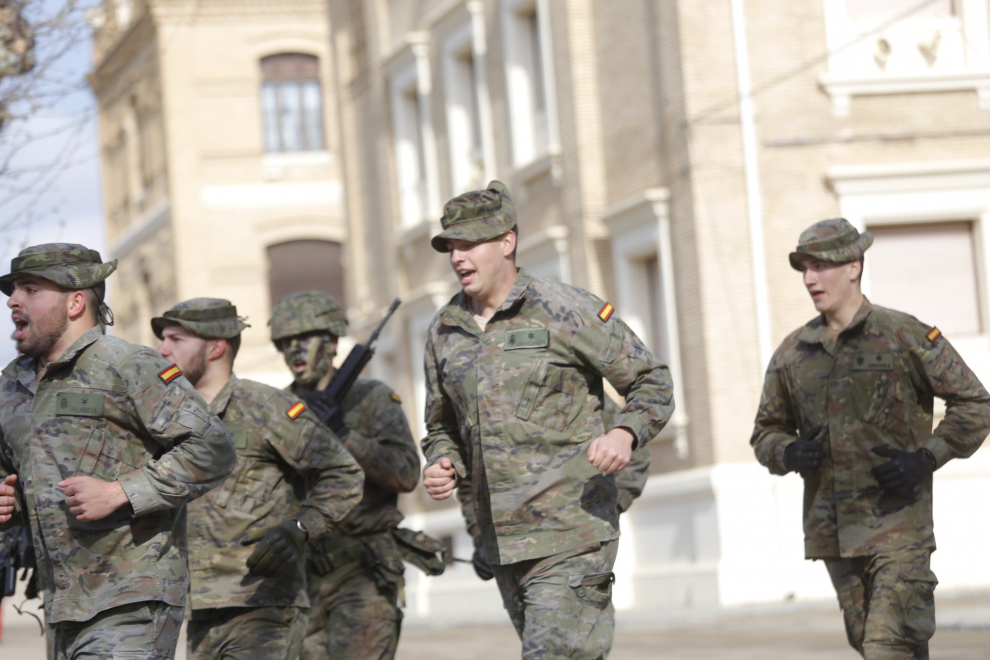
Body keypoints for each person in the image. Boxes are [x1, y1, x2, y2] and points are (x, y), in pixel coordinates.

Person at [421, 181, 674, 660]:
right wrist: (441, 461)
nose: (457, 257)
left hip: (572, 533)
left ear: (507, 242)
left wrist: (625, 432)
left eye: (469, 243)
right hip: (502, 542)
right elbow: (440, 426)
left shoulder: (565, 309)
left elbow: (652, 381)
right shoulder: (444, 329)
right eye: (451, 246)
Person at [751, 218, 990, 660]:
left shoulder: (904, 334)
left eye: (819, 266)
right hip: (834, 534)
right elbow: (765, 432)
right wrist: (788, 451)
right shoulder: (792, 353)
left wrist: (926, 457)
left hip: (898, 528)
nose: (809, 279)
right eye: (804, 268)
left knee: (887, 647)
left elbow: (976, 403)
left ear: (854, 266)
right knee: (877, 646)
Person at [0, 243, 236, 660]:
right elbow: (17, 476)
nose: (13, 301)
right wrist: (9, 500)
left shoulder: (129, 365)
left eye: (30, 289)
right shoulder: (11, 384)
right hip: (62, 605)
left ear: (75, 302)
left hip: (131, 597)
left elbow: (213, 449)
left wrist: (121, 492)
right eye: (13, 290)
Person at [152, 298, 365, 660]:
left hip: (262, 607)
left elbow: (343, 474)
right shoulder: (167, 419)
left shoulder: (266, 407)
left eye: (176, 339)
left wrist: (299, 528)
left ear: (216, 346)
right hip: (197, 609)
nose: (162, 349)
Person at [268, 291, 420, 660]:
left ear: (333, 342)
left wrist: (344, 435)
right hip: (300, 578)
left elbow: (406, 475)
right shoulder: (277, 409)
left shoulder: (371, 398)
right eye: (286, 343)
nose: (295, 351)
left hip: (362, 572)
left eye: (303, 340)